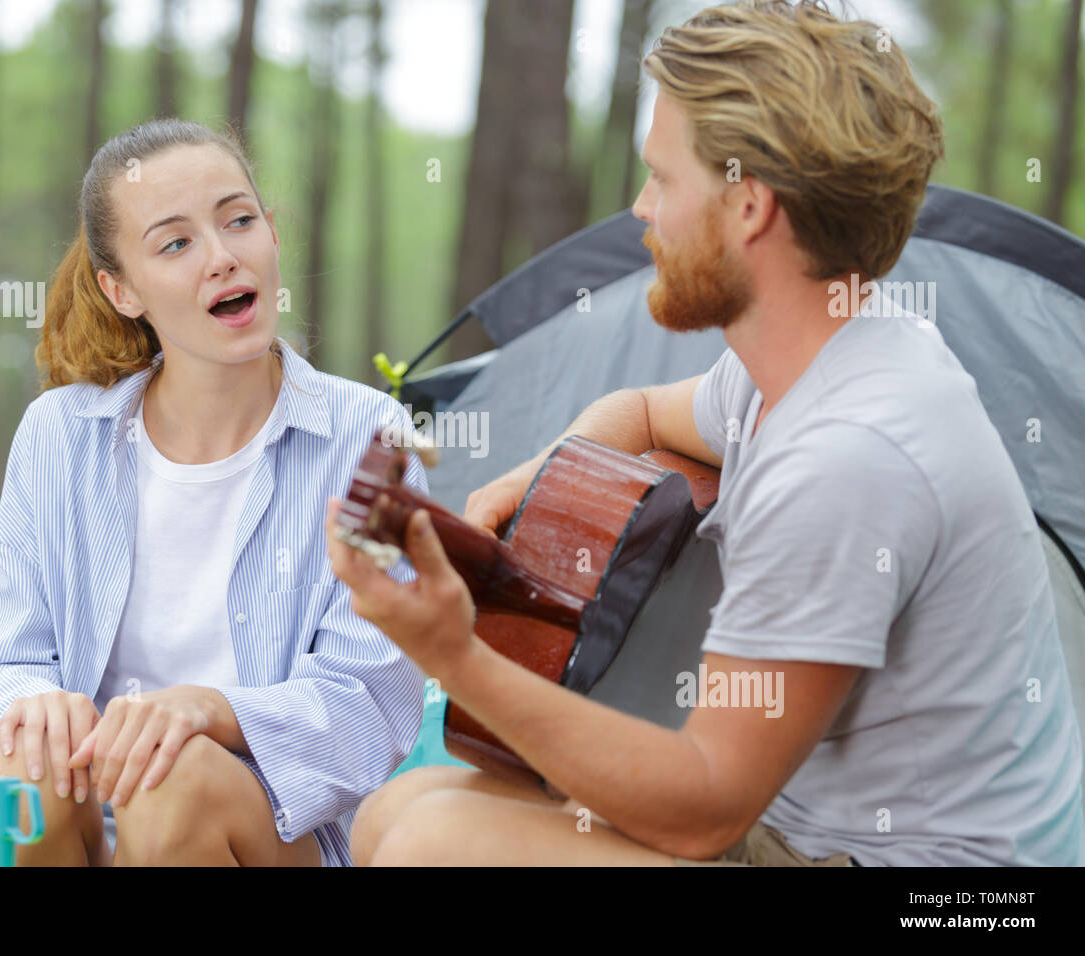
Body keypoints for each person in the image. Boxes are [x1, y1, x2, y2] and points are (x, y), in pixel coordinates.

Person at [327, 0, 1085, 866]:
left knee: (434, 842)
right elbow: (644, 415)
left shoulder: (848, 458)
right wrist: (534, 490)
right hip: (802, 831)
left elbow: (707, 809)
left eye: (662, 177)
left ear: (750, 206)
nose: (642, 209)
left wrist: (453, 654)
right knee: (398, 809)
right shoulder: (817, 355)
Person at [0, 117, 426, 867]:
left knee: (173, 781)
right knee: (21, 775)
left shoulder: (371, 437)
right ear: (121, 289)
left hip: (267, 830)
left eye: (239, 221)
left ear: (271, 232)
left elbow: (371, 705)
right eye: (176, 243)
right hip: (88, 824)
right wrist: (29, 705)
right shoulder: (59, 436)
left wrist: (216, 711)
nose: (224, 258)